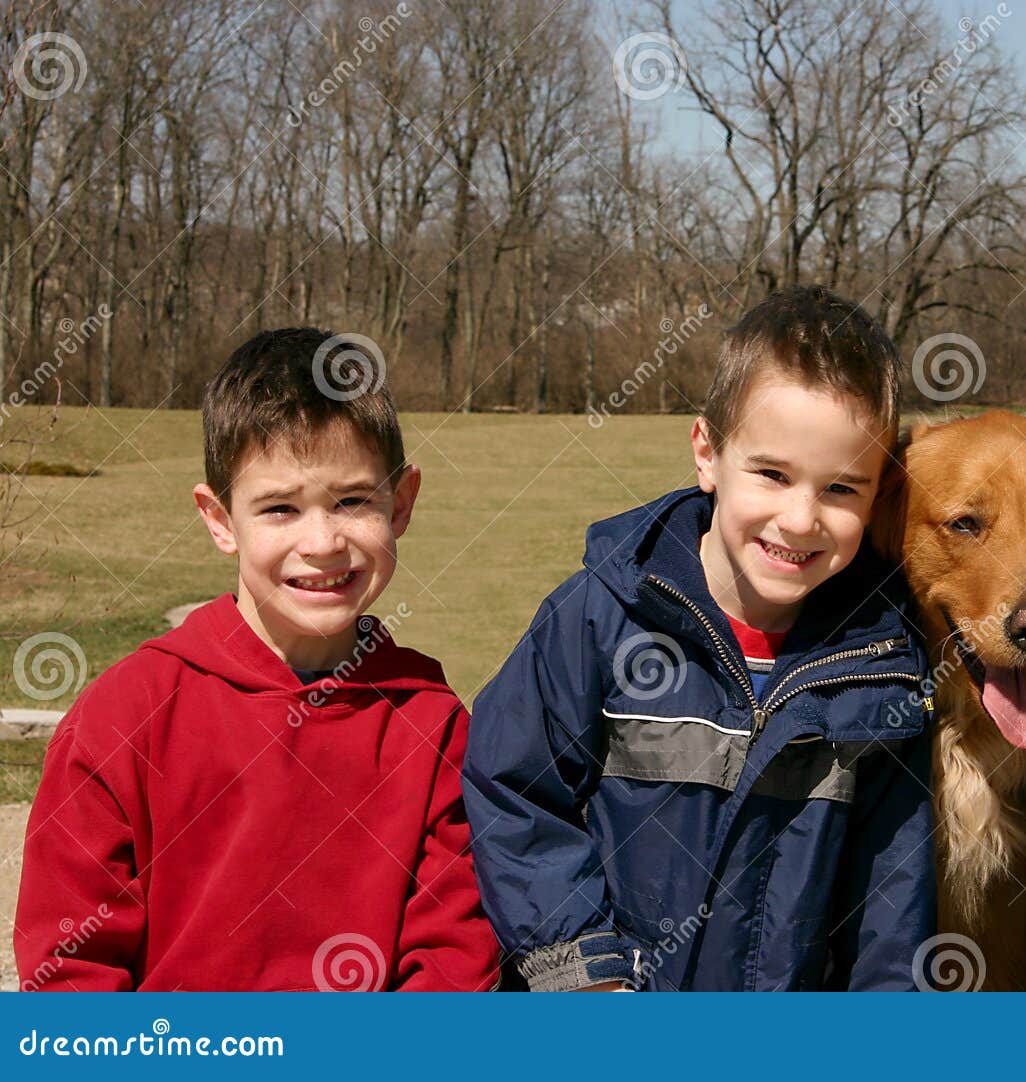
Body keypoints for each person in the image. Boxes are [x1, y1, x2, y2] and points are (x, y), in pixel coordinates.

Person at [464, 286, 935, 991]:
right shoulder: (603, 615)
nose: (801, 518)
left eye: (841, 489)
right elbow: (513, 790)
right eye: (772, 474)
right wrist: (582, 974)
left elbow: (890, 903)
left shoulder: (884, 668)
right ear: (708, 453)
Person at [14, 328, 498, 991]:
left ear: (402, 502)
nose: (322, 541)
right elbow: (69, 972)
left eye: (353, 500)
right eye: (279, 508)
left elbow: (453, 959)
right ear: (219, 519)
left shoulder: (433, 722)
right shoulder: (124, 716)